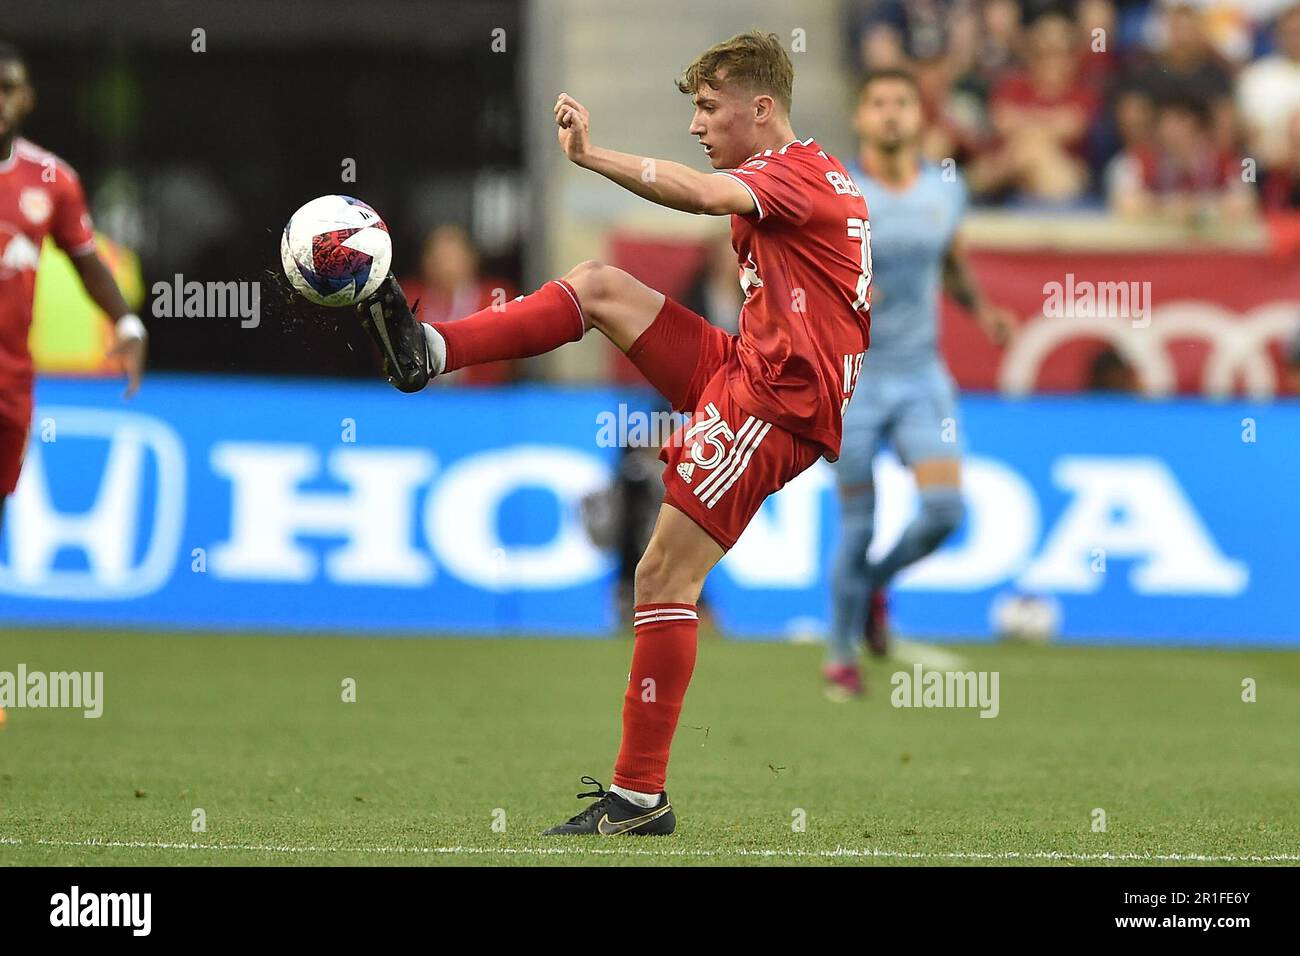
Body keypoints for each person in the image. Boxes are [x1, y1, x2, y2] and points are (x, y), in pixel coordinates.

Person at [356, 31, 872, 835]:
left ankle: (638, 797)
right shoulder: (809, 173)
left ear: (761, 109)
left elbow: (699, 195)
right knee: (600, 287)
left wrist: (594, 158)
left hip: (778, 403)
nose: (698, 125)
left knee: (663, 575)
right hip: (749, 368)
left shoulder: (792, 176)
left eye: (709, 107)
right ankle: (435, 350)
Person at [826, 68, 1016, 700]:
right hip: (852, 380)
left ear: (917, 115)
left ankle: (875, 584)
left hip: (920, 376)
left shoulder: (944, 190)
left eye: (901, 103)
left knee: (943, 512)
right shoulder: (839, 191)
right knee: (857, 524)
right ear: (859, 117)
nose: (889, 113)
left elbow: (951, 262)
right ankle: (840, 655)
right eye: (876, 102)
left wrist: (982, 310)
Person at [0, 42, 146, 728]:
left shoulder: (51, 179)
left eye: (7, 88)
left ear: (25, 98)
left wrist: (127, 323)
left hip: (10, 375)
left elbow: (86, 260)